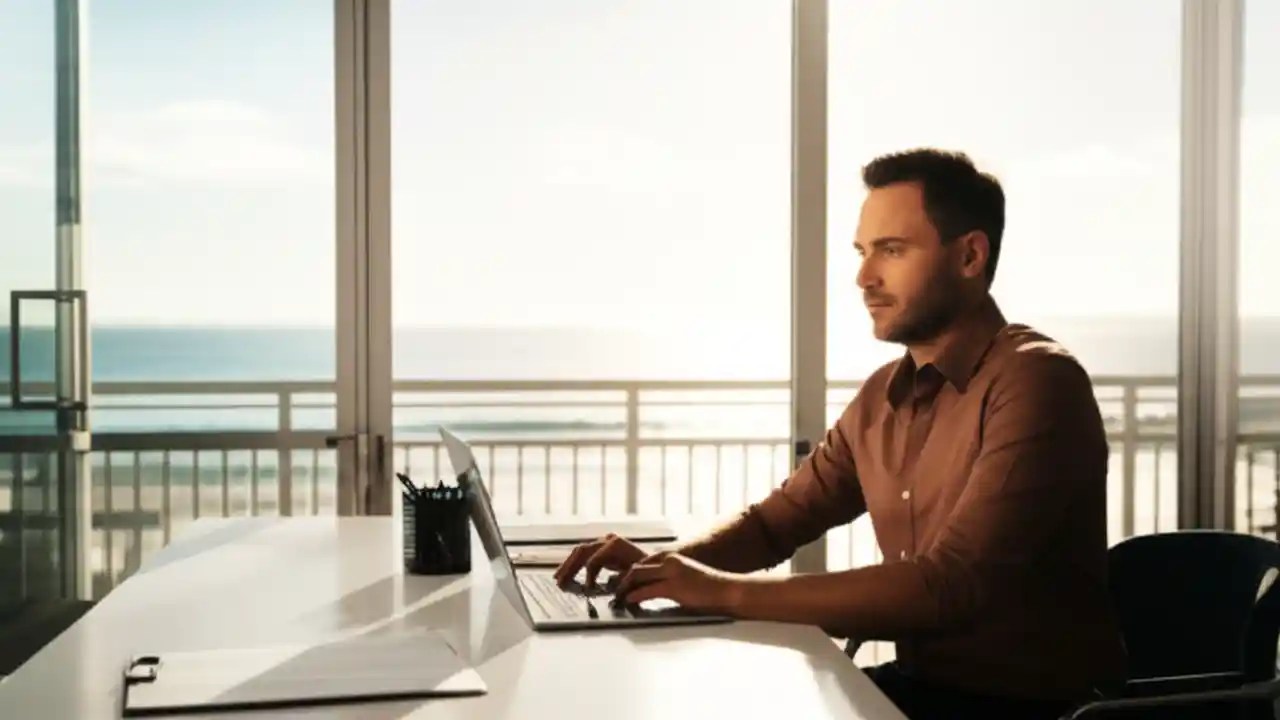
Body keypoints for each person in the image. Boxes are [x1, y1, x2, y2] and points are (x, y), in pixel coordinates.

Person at [553, 148, 1127, 719]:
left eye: (892, 250)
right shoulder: (882, 395)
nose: (863, 277)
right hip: (921, 688)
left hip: (1029, 710)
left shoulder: (1037, 380)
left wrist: (719, 591)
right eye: (862, 251)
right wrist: (662, 568)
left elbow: (951, 586)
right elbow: (776, 523)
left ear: (970, 255)